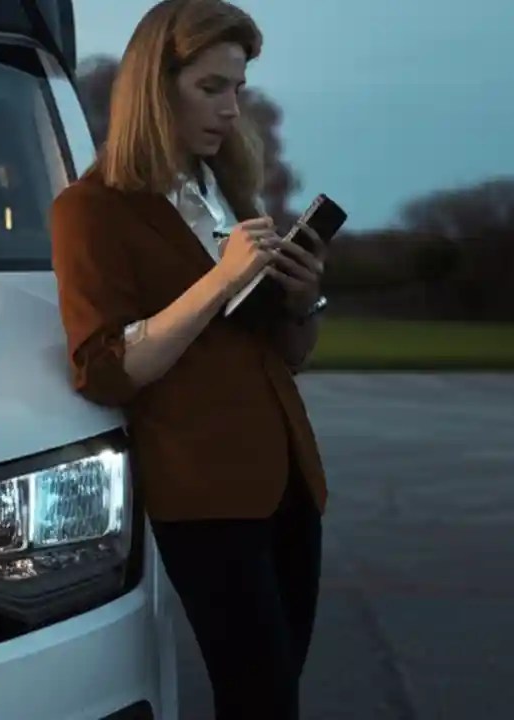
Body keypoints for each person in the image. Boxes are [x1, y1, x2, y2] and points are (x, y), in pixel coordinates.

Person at [49, 1, 331, 718]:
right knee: (258, 696)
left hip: (288, 480)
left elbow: (283, 357)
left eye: (239, 89)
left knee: (278, 689)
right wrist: (221, 280)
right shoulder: (93, 209)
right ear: (155, 86)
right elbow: (103, 367)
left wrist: (300, 301)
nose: (232, 110)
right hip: (205, 492)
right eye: (212, 88)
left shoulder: (225, 192)